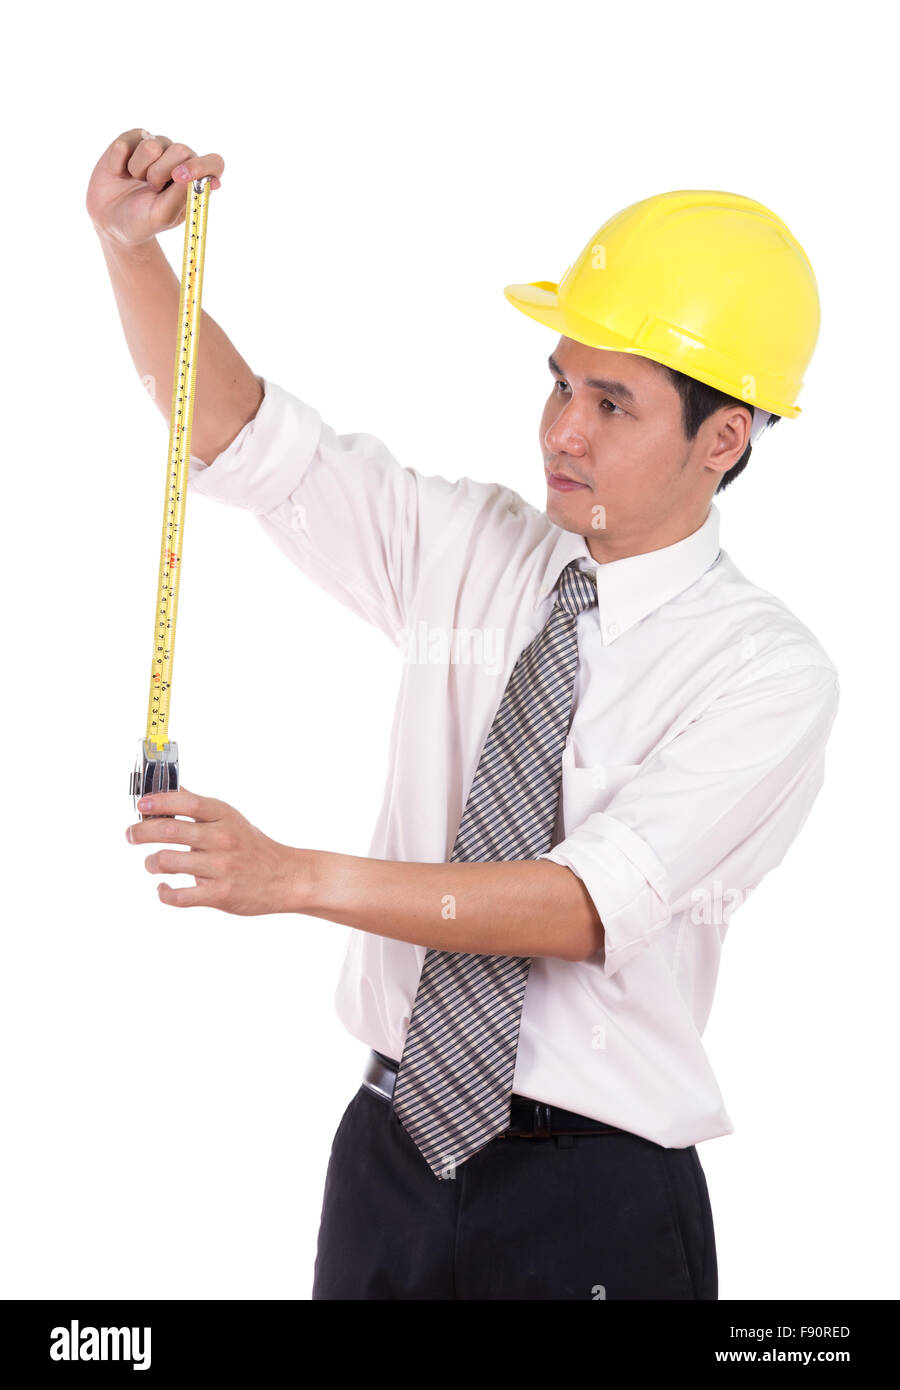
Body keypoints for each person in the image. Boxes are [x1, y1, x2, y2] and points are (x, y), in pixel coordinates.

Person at [89, 131, 840, 1300]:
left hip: (595, 1197)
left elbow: (580, 904)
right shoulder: (474, 548)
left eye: (612, 403)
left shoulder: (766, 673)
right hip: (387, 1154)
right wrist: (134, 256)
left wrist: (290, 876)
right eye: (557, 381)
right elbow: (245, 439)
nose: (561, 431)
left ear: (724, 437)